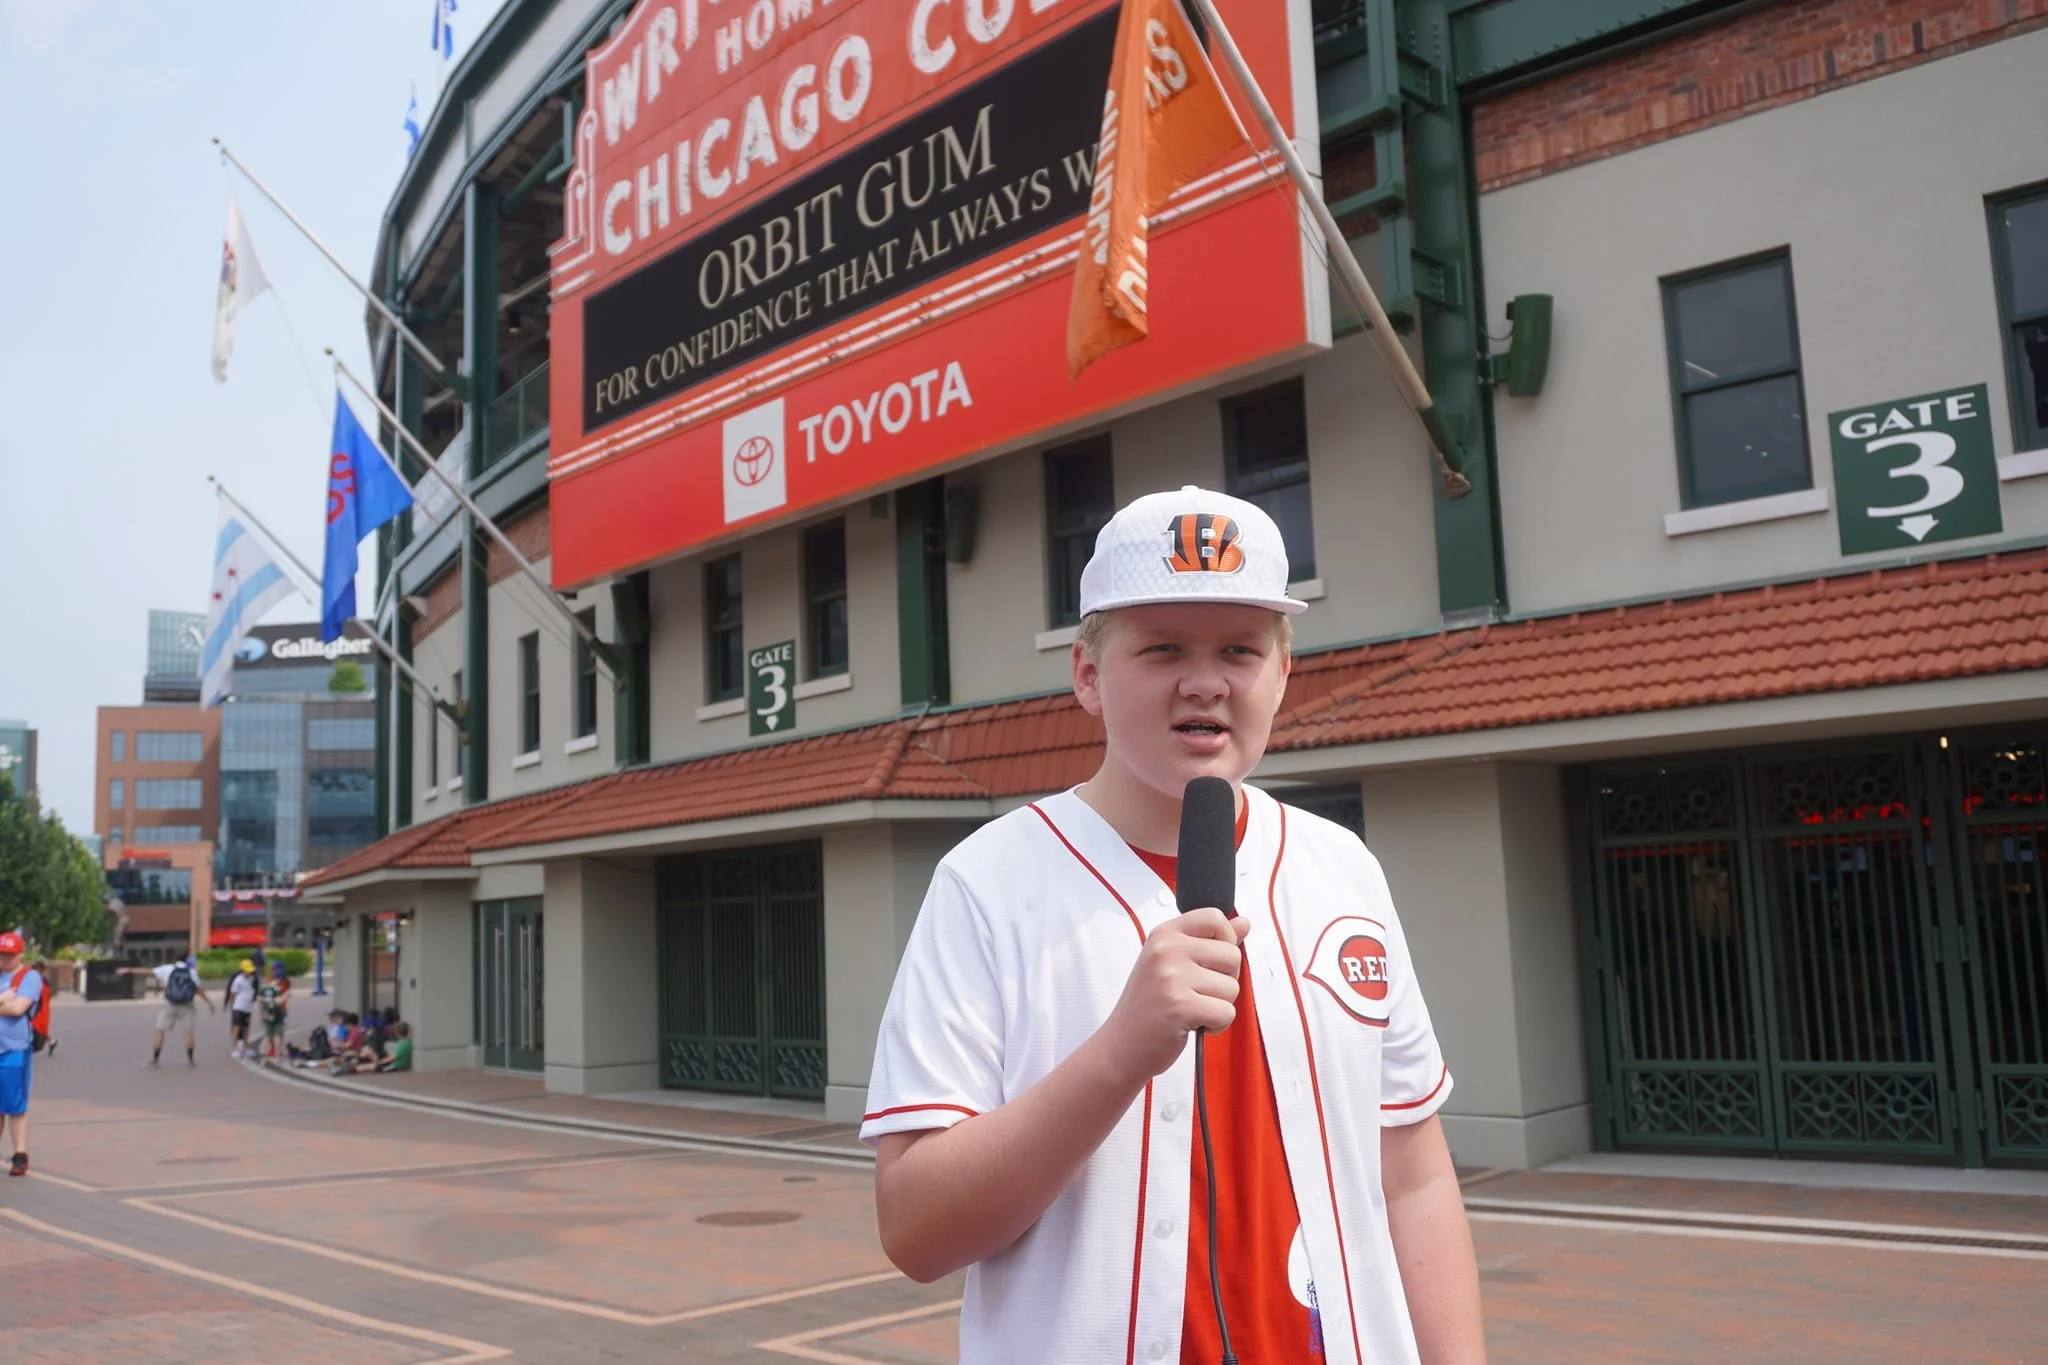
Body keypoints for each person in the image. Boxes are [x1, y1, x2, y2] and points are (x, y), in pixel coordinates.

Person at [863, 488, 1485, 1363]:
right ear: (1087, 673)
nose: (1205, 681)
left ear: (1282, 671)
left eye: (1239, 648)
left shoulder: (1343, 868)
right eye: (1163, 648)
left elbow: (1412, 1177)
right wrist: (1119, 1053)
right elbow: (915, 1229)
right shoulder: (987, 883)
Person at [0, 934, 42, 1176]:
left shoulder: (29, 977)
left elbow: (18, 1008)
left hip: (13, 1048)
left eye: (10, 955)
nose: (5, 959)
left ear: (20, 955)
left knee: (14, 1104)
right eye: (2, 955)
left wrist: (8, 1003)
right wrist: (2, 1000)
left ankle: (20, 1154)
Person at [144, 956, 215, 1068]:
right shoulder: (192, 973)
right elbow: (198, 990)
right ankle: (190, 1060)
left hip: (170, 1005)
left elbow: (149, 971)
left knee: (160, 1030)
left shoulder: (168, 969)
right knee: (188, 1032)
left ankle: (155, 1060)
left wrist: (129, 970)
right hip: (187, 1006)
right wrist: (209, 1003)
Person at [226, 959, 259, 1059]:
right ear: (242, 970)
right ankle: (234, 1049)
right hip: (238, 1007)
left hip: (247, 1008)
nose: (249, 973)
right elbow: (232, 994)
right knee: (236, 1028)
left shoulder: (252, 979)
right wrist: (233, 1006)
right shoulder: (238, 980)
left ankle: (247, 1048)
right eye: (247, 971)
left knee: (246, 1029)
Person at [258, 961, 290, 1060]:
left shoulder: (272, 983)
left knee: (270, 1033)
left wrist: (262, 1013)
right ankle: (277, 1052)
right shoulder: (283, 983)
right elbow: (281, 999)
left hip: (271, 1010)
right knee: (277, 1033)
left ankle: (268, 1052)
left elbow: (261, 999)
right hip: (278, 1009)